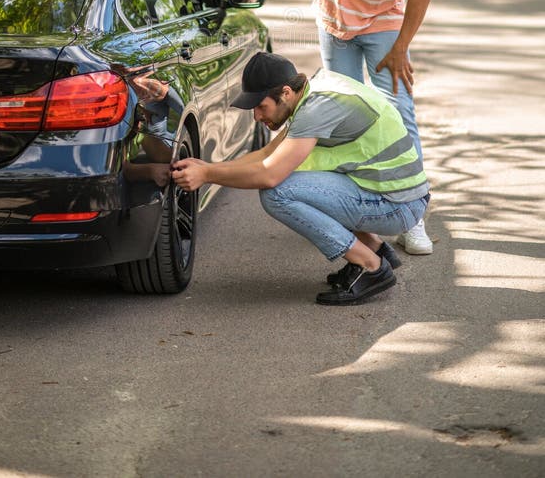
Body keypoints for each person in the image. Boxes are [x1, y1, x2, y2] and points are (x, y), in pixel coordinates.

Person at [171, 52, 430, 306]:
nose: (257, 117)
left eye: (261, 106)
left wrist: (206, 174)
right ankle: (372, 248)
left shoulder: (317, 108)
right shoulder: (311, 95)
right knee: (296, 180)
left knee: (278, 193)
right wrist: (209, 167)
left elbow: (269, 174)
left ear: (285, 92)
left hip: (398, 205)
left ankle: (371, 266)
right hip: (393, 195)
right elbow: (266, 154)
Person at [284, 0, 442, 255]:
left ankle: (412, 216)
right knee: (339, 118)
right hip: (335, 17)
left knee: (399, 111)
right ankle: (347, 210)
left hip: (385, 23)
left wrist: (401, 46)